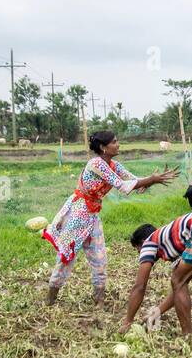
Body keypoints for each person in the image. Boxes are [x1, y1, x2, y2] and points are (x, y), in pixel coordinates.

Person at [43, 130, 178, 306]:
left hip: (92, 215)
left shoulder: (114, 165)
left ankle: (99, 301)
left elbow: (133, 181)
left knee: (99, 258)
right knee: (66, 256)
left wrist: (153, 180)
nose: (118, 144)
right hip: (77, 213)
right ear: (103, 147)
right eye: (114, 142)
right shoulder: (96, 164)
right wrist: (150, 179)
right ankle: (50, 298)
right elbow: (122, 186)